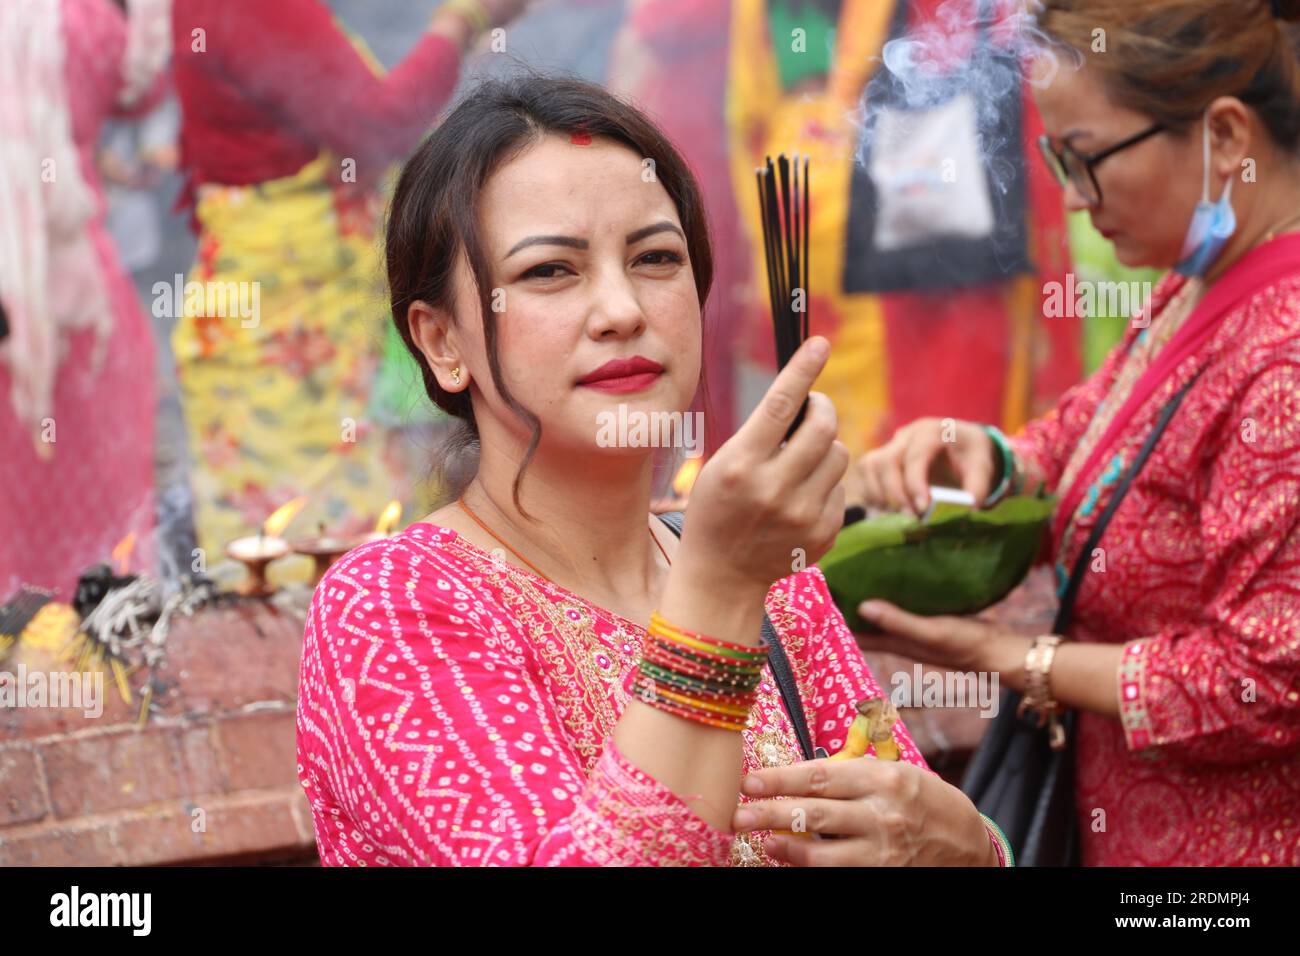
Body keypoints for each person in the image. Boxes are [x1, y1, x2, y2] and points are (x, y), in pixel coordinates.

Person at [295, 76, 1011, 867]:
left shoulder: (778, 582)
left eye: (656, 258)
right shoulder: (393, 608)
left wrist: (977, 852)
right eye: (550, 272)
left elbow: (901, 823)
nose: (622, 309)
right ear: (441, 342)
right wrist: (719, 588)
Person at [856, 0, 1300, 865]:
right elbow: (1083, 446)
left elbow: (1266, 679)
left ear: (1227, 137)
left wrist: (1013, 658)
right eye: (1057, 160)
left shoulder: (1286, 351)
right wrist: (980, 456)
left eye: (1087, 159)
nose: (1072, 197)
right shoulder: (1199, 286)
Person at [168, 0, 527, 565]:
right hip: (292, 326)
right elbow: (375, 126)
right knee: (312, 553)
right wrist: (463, 20)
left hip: (290, 305)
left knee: (305, 544)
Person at [0, 0, 169, 597]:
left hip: (41, 300)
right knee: (94, 542)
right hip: (83, 303)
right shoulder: (96, 21)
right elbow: (141, 88)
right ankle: (98, 652)